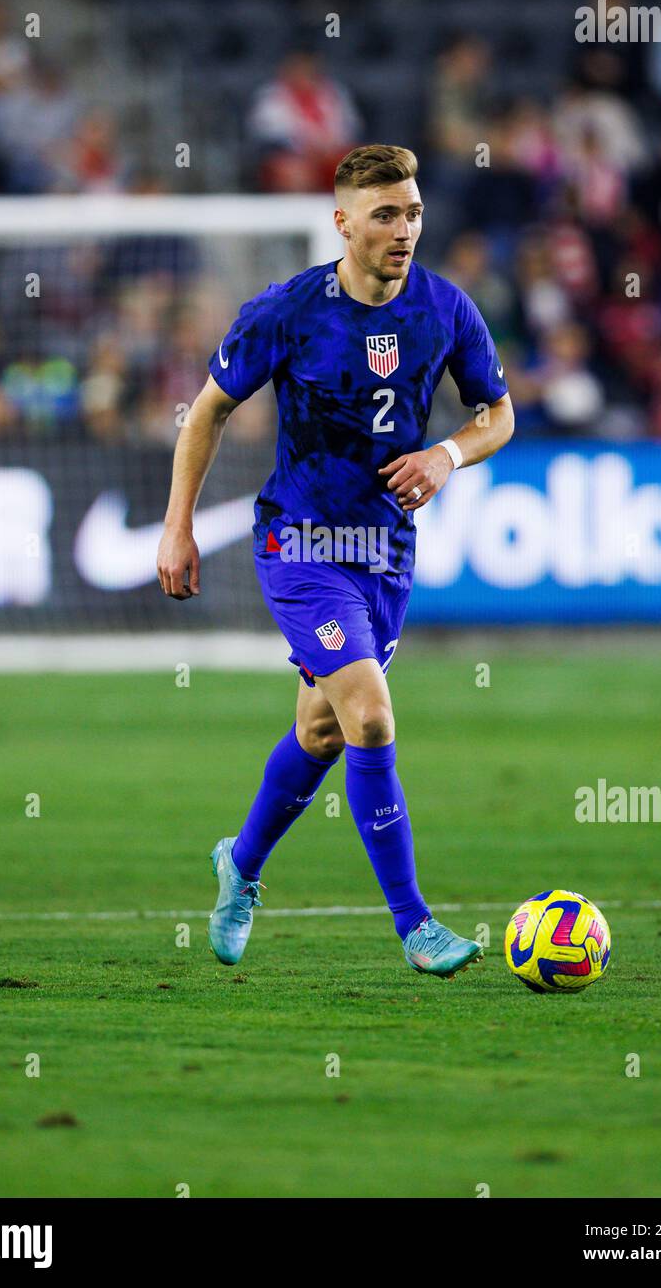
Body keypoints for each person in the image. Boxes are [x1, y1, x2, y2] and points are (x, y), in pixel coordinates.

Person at [156, 144, 514, 978]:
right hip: (300, 544)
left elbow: (497, 415)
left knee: (319, 728)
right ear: (343, 223)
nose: (403, 229)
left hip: (383, 553)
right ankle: (416, 926)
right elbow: (206, 412)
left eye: (413, 212)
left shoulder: (447, 309)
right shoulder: (287, 311)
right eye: (385, 215)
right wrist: (177, 527)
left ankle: (239, 866)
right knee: (371, 717)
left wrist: (446, 458)